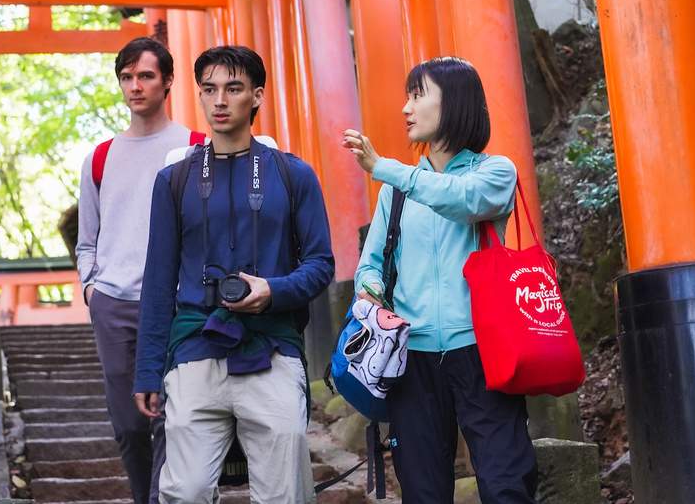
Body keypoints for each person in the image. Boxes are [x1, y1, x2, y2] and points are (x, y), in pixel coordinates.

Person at [133, 46, 335, 504]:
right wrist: (148, 370)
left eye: (234, 88)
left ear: (257, 96)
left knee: (285, 493)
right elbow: (159, 281)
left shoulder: (293, 175)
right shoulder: (175, 181)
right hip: (195, 349)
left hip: (272, 350)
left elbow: (322, 264)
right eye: (209, 89)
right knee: (183, 492)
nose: (219, 100)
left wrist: (274, 291)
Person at [343, 56, 539, 504]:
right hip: (410, 356)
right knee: (423, 491)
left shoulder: (493, 173)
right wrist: (370, 292)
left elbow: (459, 200)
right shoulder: (396, 190)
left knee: (506, 484)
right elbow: (371, 263)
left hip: (483, 352)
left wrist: (386, 168)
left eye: (418, 96)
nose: (406, 109)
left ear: (454, 103)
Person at [77, 37, 197, 504]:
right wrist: (92, 288)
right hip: (114, 302)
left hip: (177, 303)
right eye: (127, 77)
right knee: (128, 425)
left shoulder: (194, 148)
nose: (135, 86)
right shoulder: (101, 157)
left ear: (167, 82)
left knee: (174, 417)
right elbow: (87, 238)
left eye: (145, 76)